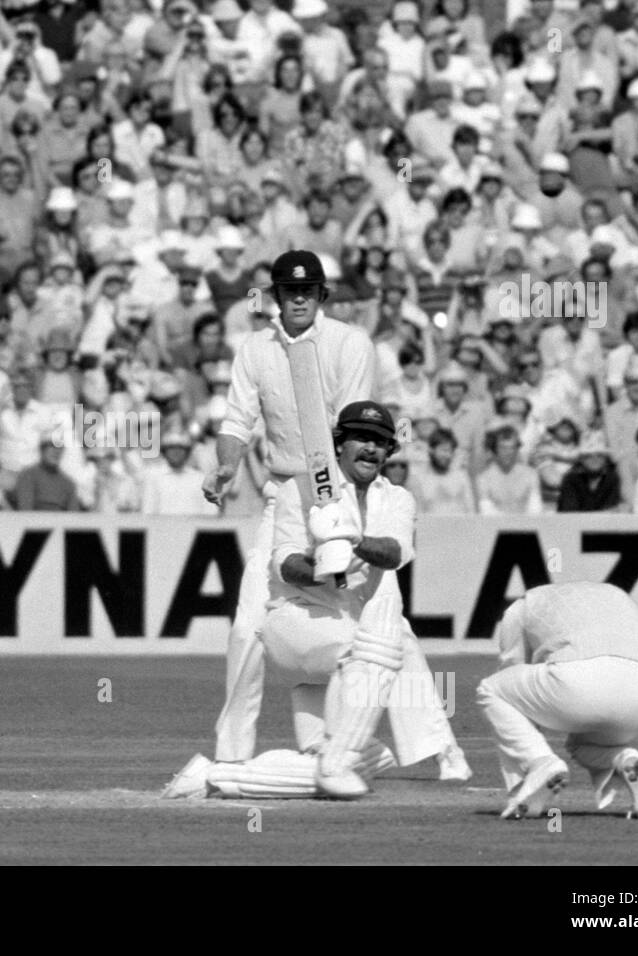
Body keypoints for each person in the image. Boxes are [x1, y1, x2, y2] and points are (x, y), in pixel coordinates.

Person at [171, 249, 466, 792]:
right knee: (247, 625)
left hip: (344, 488)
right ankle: (232, 755)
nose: (298, 298)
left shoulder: (349, 343)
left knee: (381, 616)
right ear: (276, 296)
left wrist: (344, 510)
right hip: (285, 492)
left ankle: (438, 746)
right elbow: (238, 418)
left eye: (307, 290)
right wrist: (227, 466)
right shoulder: (255, 349)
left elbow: (353, 428)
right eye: (288, 290)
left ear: (322, 295)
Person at [476, 582, 638, 819]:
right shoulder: (616, 594)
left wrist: (531, 748)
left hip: (579, 681)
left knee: (491, 689)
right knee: (582, 746)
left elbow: (511, 671)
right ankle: (624, 758)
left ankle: (541, 764)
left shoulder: (522, 606)